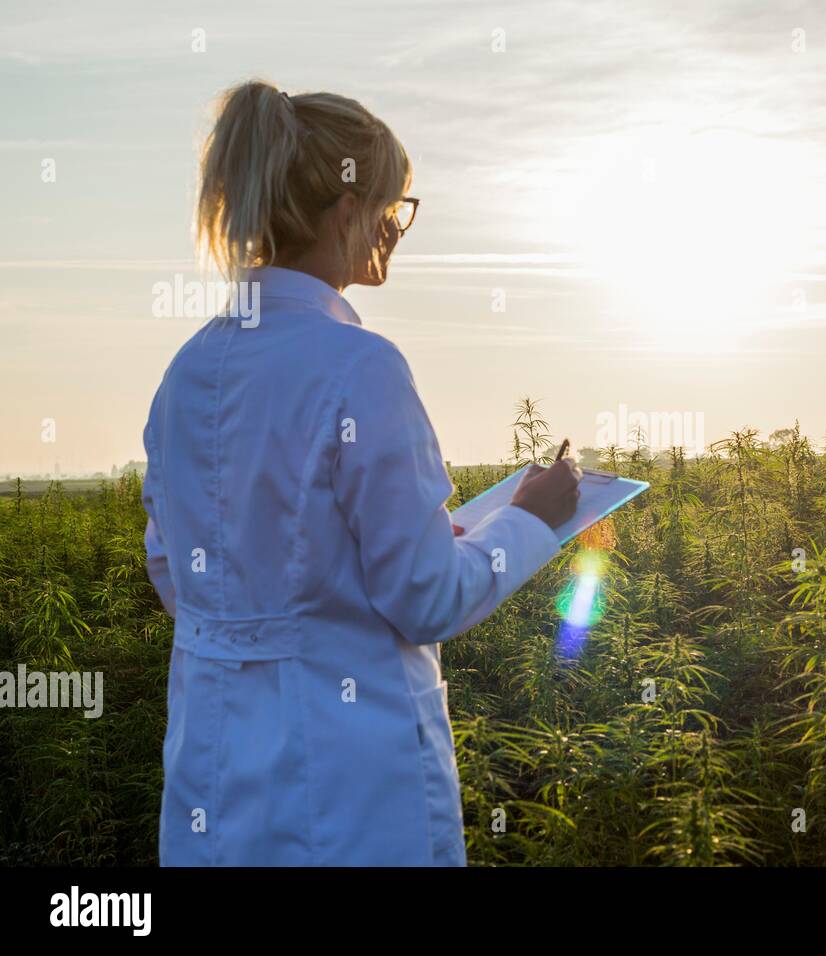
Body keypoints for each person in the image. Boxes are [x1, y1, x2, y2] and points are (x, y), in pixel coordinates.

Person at [141, 80, 580, 865]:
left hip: (211, 781)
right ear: (347, 210)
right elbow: (427, 597)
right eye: (393, 206)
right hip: (348, 792)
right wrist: (531, 519)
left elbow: (178, 574)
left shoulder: (187, 372)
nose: (395, 228)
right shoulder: (359, 368)